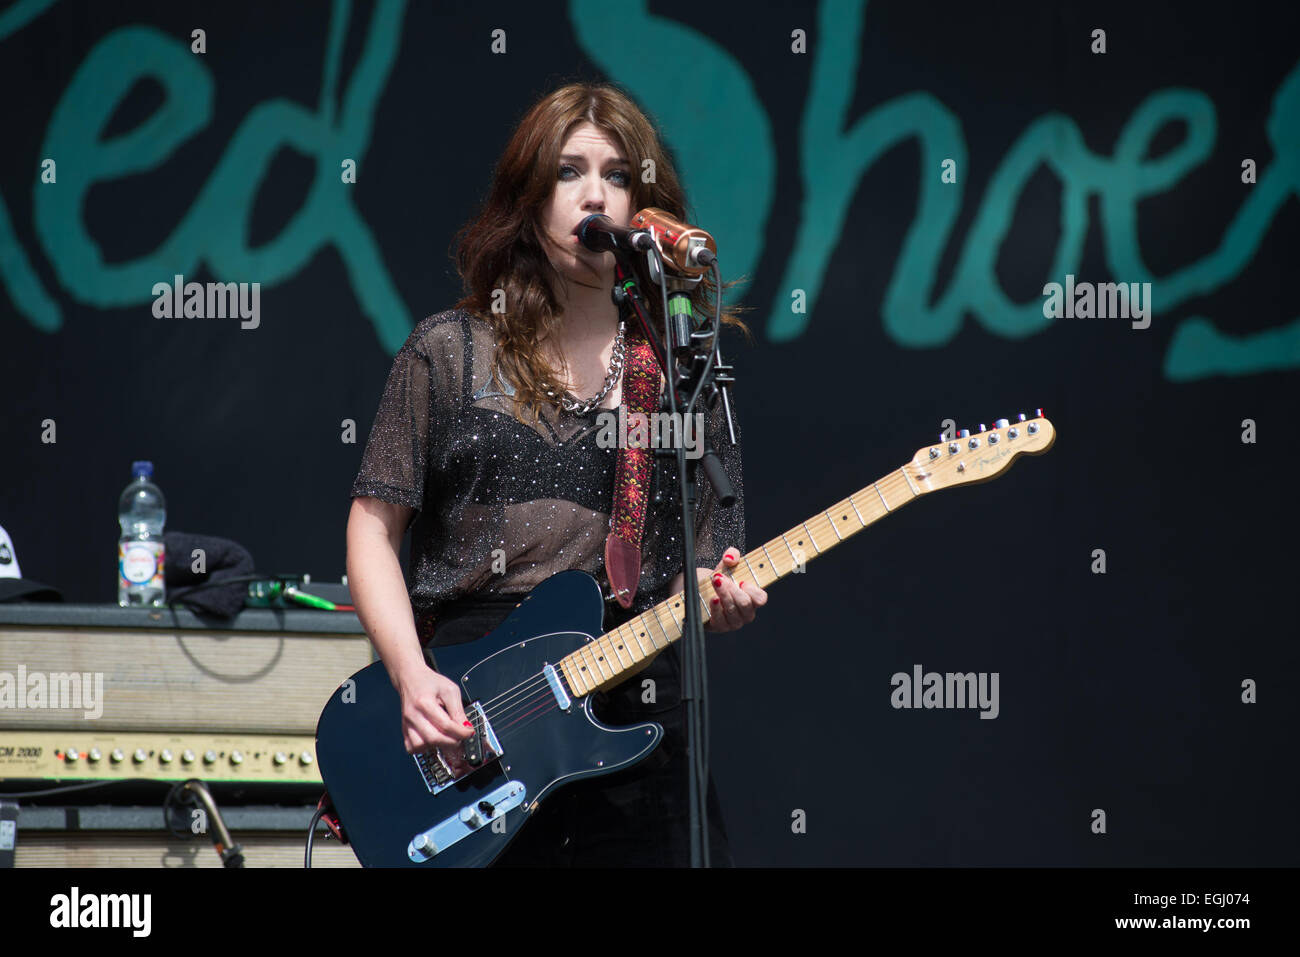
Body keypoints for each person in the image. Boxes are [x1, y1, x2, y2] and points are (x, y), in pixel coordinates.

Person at [344, 82, 767, 866]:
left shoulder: (682, 369)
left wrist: (717, 597)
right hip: (478, 717)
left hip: (638, 718)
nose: (595, 193)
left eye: (616, 174)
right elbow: (373, 529)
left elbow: (703, 562)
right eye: (570, 172)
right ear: (530, 200)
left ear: (646, 208)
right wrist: (408, 674)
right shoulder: (449, 352)